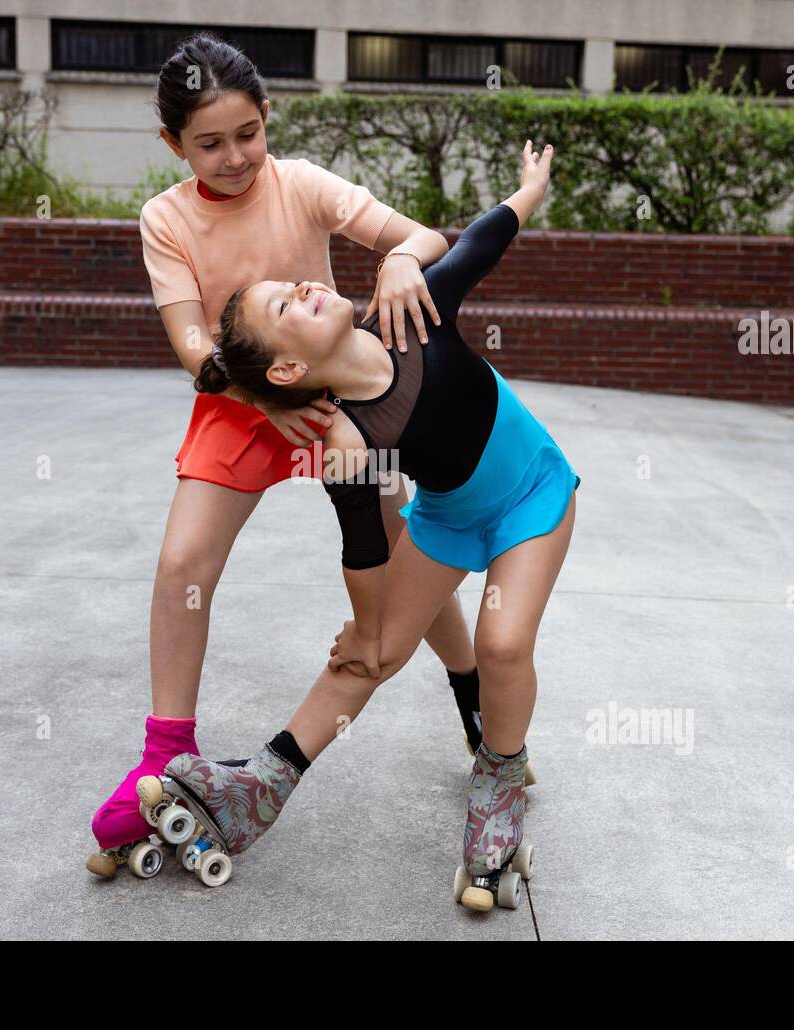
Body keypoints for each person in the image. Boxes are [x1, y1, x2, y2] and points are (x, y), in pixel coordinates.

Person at [88, 32, 482, 871]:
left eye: (247, 135)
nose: (233, 158)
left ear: (267, 119)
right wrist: (256, 396)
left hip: (333, 405)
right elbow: (194, 341)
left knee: (408, 560)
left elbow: (422, 237)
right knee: (182, 565)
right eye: (208, 143)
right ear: (173, 144)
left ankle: (474, 695)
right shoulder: (166, 218)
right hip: (236, 402)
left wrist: (406, 263)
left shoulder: (299, 182)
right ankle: (166, 756)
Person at [159, 140, 580, 900]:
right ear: (288, 371)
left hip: (533, 496)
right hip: (449, 518)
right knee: (366, 656)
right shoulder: (345, 443)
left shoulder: (410, 306)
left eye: (292, 283)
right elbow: (363, 550)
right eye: (286, 305)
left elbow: (482, 238)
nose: (304, 287)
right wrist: (365, 628)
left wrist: (530, 189)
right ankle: (260, 786)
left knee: (502, 641)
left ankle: (500, 781)